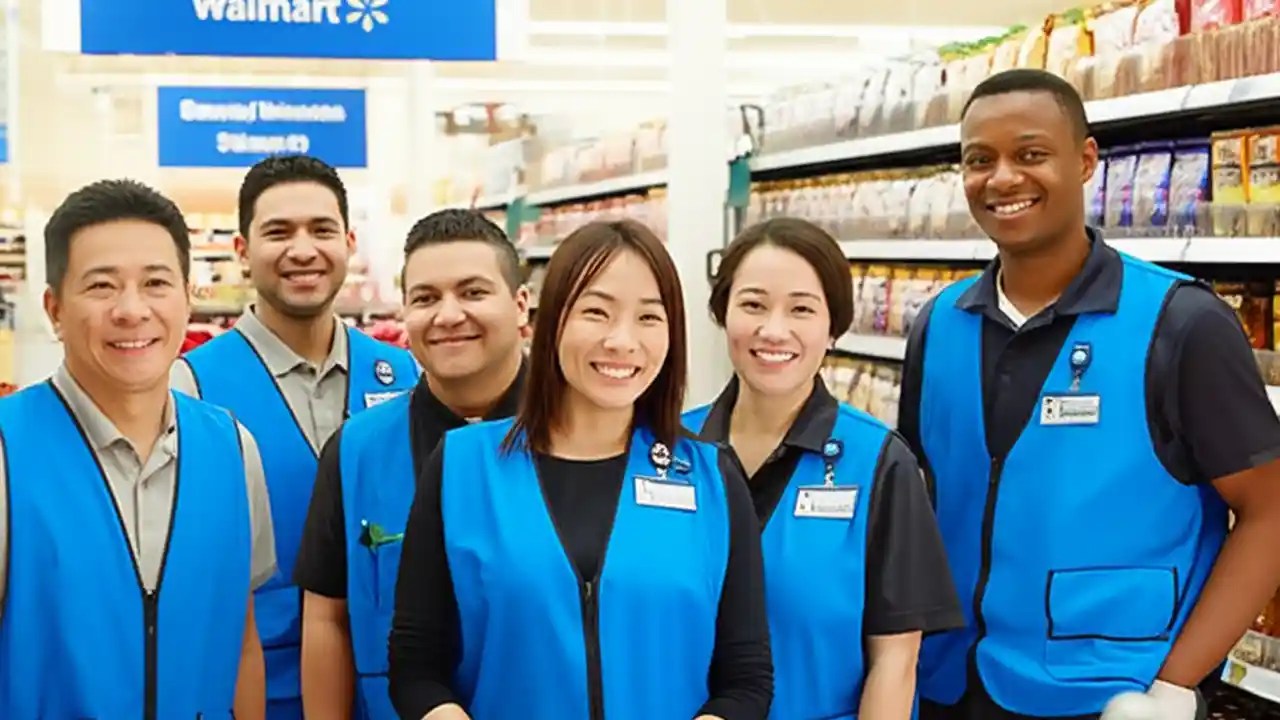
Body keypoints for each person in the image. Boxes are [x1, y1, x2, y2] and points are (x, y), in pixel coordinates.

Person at [902, 68, 1280, 720]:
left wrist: (1171, 686)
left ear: (1084, 162)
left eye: (1030, 154)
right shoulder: (938, 325)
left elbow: (1269, 514)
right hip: (946, 687)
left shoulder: (1180, 323)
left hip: (1112, 696)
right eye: (978, 160)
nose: (1002, 179)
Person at [388, 219, 773, 720]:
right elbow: (415, 666)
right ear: (554, 323)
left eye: (649, 318)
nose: (622, 340)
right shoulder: (462, 468)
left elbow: (746, 679)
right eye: (596, 312)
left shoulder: (713, 479)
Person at [0, 179, 276, 718]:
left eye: (156, 283)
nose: (132, 310)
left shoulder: (233, 450)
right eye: (102, 287)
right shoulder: (9, 453)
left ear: (187, 297)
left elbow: (240, 639)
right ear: (54, 309)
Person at [684, 216, 964, 720]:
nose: (774, 329)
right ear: (722, 313)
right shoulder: (671, 450)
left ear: (832, 327)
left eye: (801, 309)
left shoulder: (879, 463)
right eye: (752, 304)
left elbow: (895, 663)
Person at [171, 154, 419, 720]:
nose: (303, 250)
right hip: (263, 687)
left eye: (322, 230)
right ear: (241, 252)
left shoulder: (406, 375)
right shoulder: (191, 387)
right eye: (278, 232)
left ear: (349, 243)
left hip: (396, 686)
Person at [293, 209, 531, 719]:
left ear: (520, 306)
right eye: (425, 298)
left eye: (472, 292)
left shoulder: (588, 438)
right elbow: (327, 618)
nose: (447, 315)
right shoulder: (358, 450)